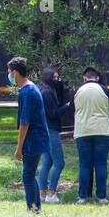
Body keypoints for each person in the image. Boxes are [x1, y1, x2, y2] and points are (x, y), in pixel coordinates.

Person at [72, 66, 109, 204]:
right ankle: (102, 196)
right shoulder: (105, 90)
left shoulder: (78, 91)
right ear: (97, 78)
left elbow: (70, 109)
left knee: (84, 164)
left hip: (82, 131)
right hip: (102, 131)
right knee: (101, 164)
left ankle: (82, 196)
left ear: (84, 78)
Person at [9, 57, 49, 214]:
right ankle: (35, 208)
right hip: (37, 138)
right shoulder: (31, 88)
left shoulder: (27, 92)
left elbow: (24, 122)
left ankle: (32, 209)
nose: (9, 75)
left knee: (27, 175)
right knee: (30, 174)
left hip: (33, 139)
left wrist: (19, 148)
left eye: (10, 72)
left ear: (15, 72)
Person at [37, 67, 71, 203]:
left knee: (47, 162)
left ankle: (42, 194)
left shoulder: (46, 90)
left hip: (44, 130)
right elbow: (53, 113)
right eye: (55, 78)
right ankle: (51, 194)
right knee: (59, 162)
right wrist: (68, 106)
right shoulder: (46, 93)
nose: (57, 80)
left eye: (58, 78)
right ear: (48, 78)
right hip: (50, 130)